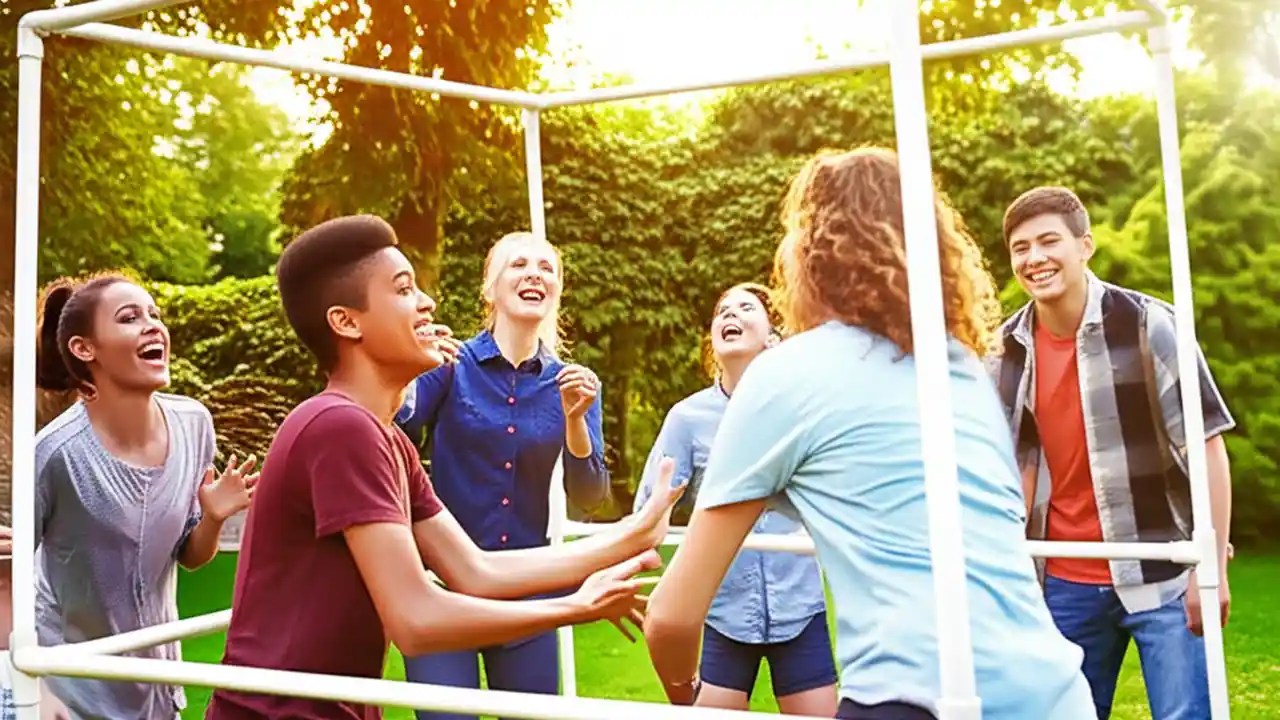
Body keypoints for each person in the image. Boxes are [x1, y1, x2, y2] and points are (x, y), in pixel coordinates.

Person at [643, 147, 1097, 720]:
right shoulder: (961, 366)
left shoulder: (785, 375)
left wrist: (686, 698)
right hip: (1054, 695)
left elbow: (672, 617)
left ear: (809, 252)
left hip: (915, 699)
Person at [207, 215, 681, 720]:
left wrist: (629, 537)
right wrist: (577, 607)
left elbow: (474, 570)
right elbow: (415, 618)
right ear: (347, 322)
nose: (427, 303)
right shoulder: (339, 426)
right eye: (404, 289)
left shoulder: (386, 439)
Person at [992, 186, 1234, 720]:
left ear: (1085, 245)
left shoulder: (1153, 327)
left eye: (1049, 241)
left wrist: (1209, 569)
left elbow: (1207, 449)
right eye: (1020, 247)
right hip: (1060, 580)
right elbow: (1007, 471)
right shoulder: (1005, 349)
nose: (1034, 258)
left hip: (1163, 574)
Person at [395, 231, 608, 719]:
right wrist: (406, 364)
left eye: (546, 267)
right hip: (441, 591)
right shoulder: (449, 365)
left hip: (526, 598)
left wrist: (575, 420)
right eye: (518, 265)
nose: (534, 273)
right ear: (490, 289)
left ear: (556, 290)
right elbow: (393, 423)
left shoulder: (574, 382)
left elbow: (590, 495)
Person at [32, 274, 256, 719]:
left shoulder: (195, 425)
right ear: (84, 349)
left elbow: (189, 556)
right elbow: (12, 578)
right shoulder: (55, 454)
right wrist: (39, 688)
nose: (153, 326)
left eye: (155, 314)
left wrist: (211, 518)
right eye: (130, 318)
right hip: (69, 688)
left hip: (156, 683)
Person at [632, 282, 836, 715]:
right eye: (721, 311)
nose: (730, 315)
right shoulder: (687, 419)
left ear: (772, 337)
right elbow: (647, 509)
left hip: (801, 609)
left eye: (745, 308)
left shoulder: (803, 411)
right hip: (723, 613)